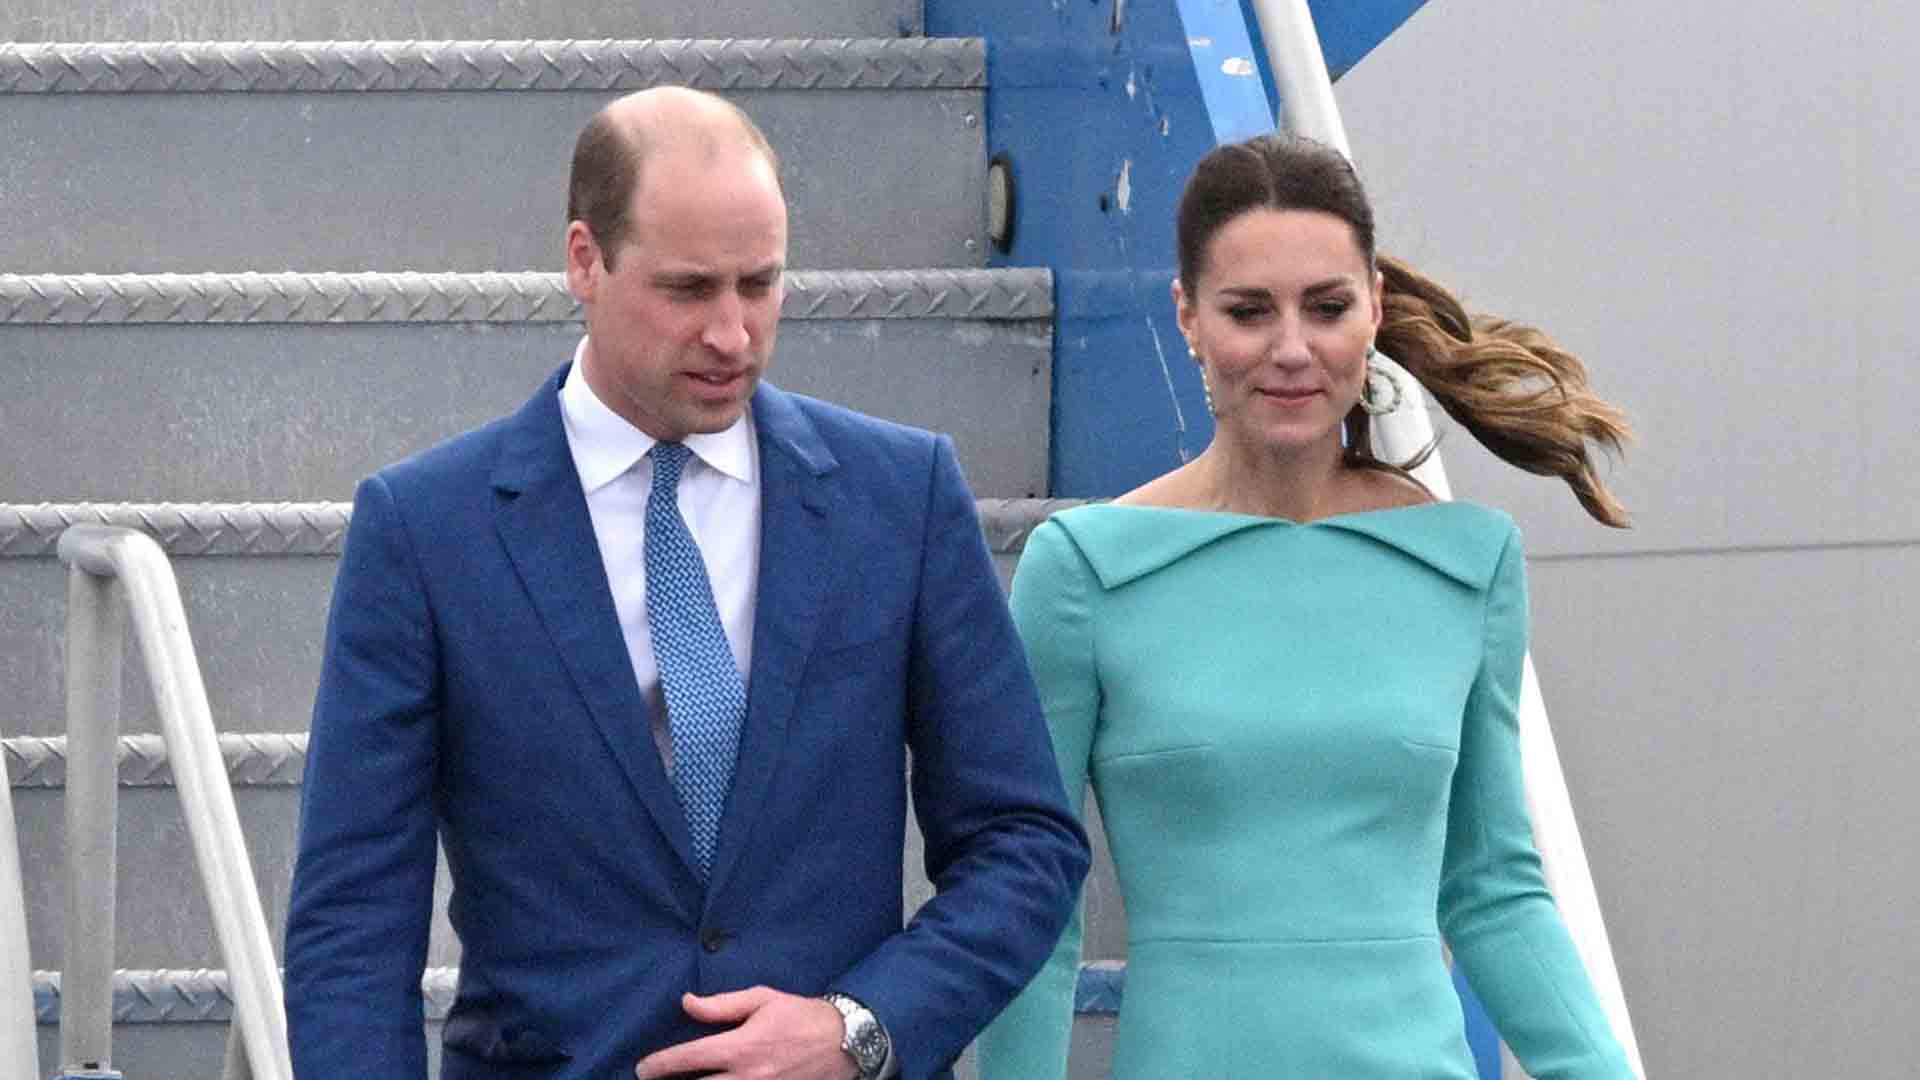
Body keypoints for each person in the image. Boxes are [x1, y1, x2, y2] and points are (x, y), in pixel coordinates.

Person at [283, 87, 1089, 1080]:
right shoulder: (426, 530)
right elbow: (352, 924)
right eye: (689, 288)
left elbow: (1025, 844)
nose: (732, 334)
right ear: (585, 260)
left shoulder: (901, 497)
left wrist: (859, 1028)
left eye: (760, 285)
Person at [976, 132, 1638, 1078]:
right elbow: (1036, 913)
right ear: (1188, 317)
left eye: (1326, 307)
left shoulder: (1468, 561)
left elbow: (1495, 891)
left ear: (1372, 308)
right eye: (1249, 311)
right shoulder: (1083, 569)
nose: (1292, 349)